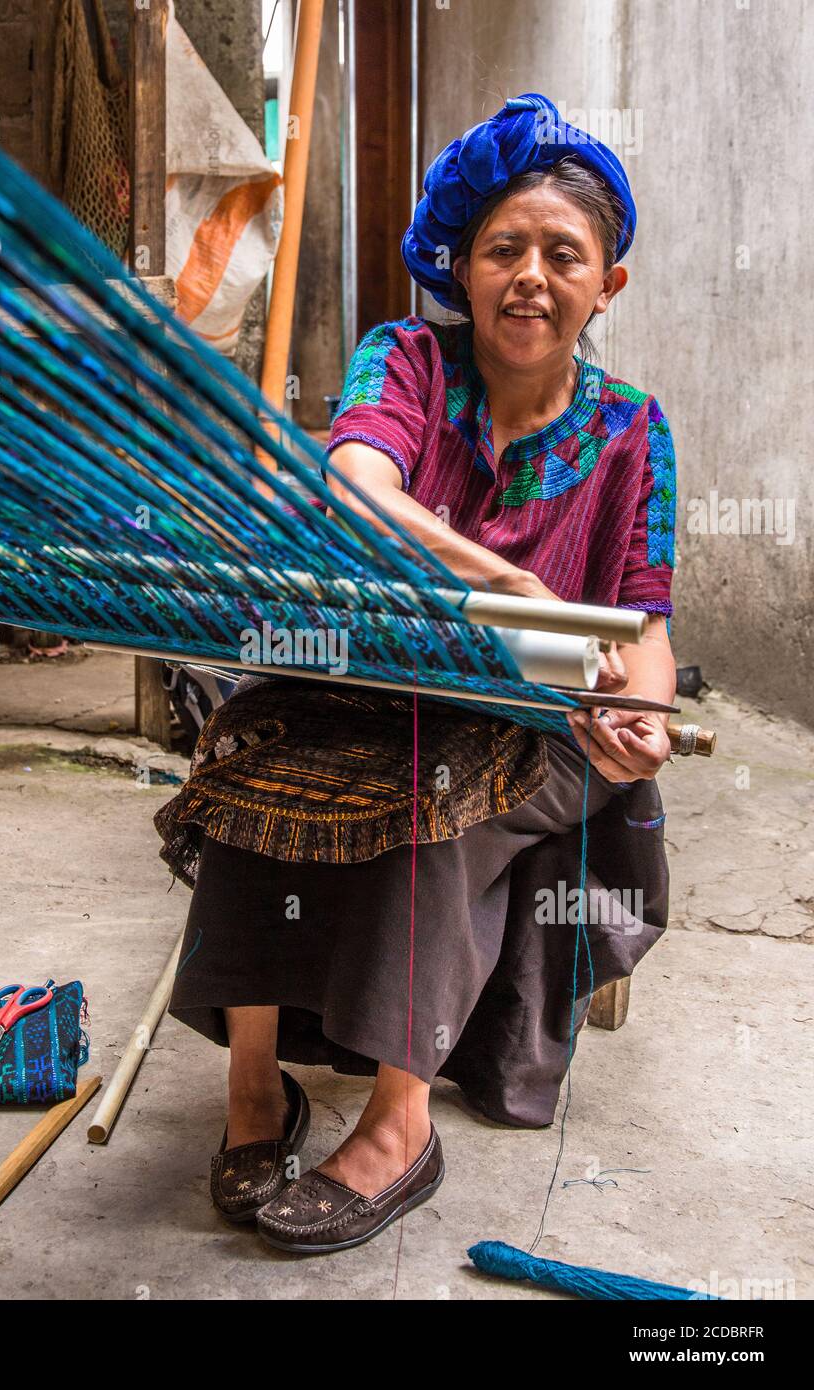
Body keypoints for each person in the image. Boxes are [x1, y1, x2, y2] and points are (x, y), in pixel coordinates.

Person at [153, 93, 677, 1256]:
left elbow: (642, 621)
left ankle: (399, 1125)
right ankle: (255, 1088)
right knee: (247, 749)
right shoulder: (405, 361)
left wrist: (638, 706)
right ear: (462, 266)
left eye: (561, 254)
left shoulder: (633, 430)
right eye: (502, 249)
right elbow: (354, 487)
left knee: (435, 786)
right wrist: (510, 583)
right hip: (363, 681)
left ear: (607, 286)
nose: (529, 276)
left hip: (536, 726)